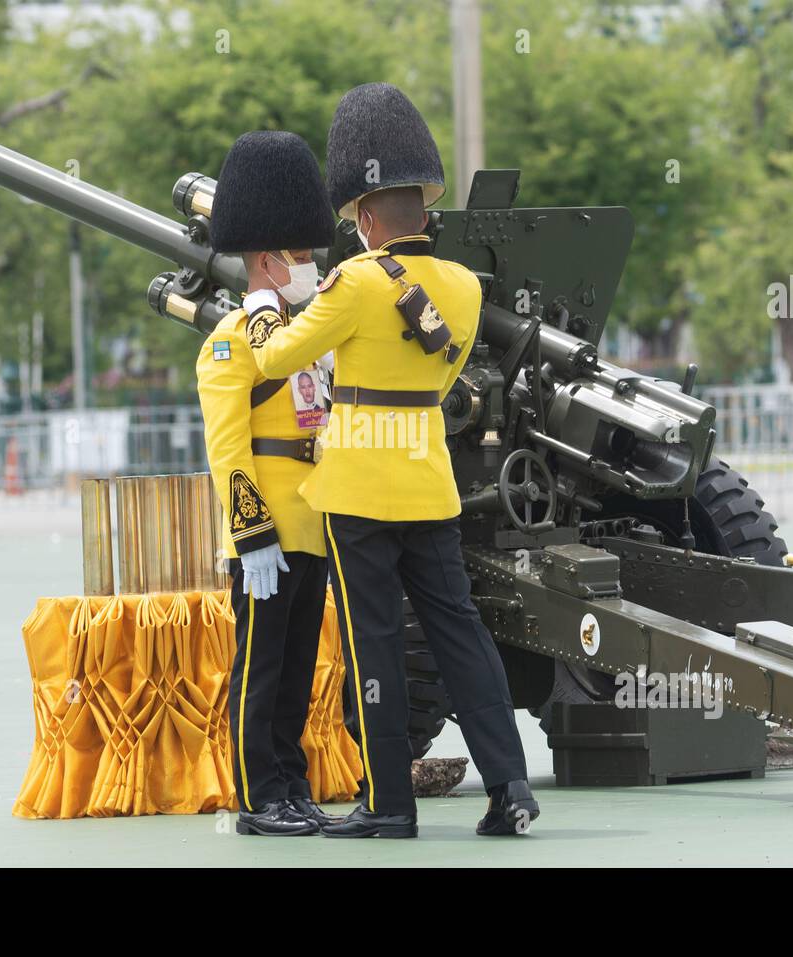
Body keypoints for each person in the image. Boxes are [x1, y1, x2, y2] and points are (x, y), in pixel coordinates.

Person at [246, 83, 539, 838]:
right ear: (423, 211)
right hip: (428, 479)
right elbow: (444, 382)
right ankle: (509, 787)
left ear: (367, 218)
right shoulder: (466, 289)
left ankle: (387, 802)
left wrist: (258, 306)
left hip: (357, 489)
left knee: (373, 637)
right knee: (461, 635)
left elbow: (278, 356)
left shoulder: (353, 282)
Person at [195, 130, 339, 836]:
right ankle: (258, 795)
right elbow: (229, 449)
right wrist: (252, 531)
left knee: (297, 670)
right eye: (301, 255)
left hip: (312, 522)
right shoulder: (228, 340)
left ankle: (293, 782)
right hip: (268, 531)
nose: (310, 265)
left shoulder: (305, 336)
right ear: (265, 260)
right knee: (261, 671)